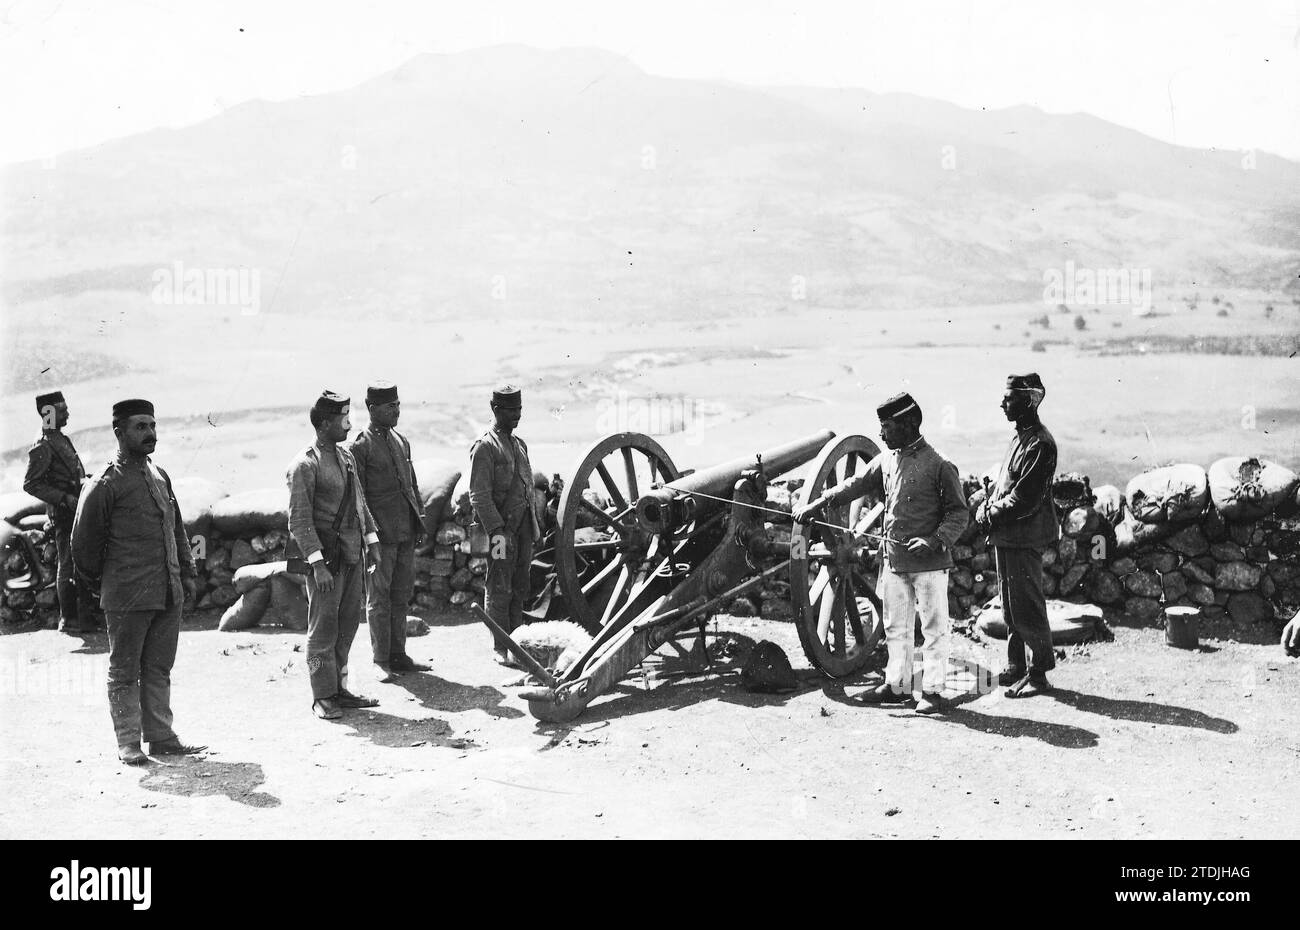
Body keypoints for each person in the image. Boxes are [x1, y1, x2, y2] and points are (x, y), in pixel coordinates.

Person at [795, 392, 968, 714]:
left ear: (910, 423)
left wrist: (935, 540)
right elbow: (855, 484)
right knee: (895, 626)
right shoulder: (887, 459)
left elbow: (959, 513)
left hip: (929, 564)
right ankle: (897, 685)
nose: (881, 434)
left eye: (887, 426)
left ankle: (932, 692)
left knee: (933, 628)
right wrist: (819, 503)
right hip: (895, 561)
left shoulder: (940, 464)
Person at [71, 399, 203, 765]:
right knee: (124, 669)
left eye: (153, 426)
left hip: (168, 590)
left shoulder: (160, 475)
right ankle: (128, 742)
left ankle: (161, 736)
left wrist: (187, 573)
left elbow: (177, 528)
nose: (150, 434)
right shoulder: (104, 484)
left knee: (159, 666)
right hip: (127, 594)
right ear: (119, 432)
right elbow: (82, 546)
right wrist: (107, 584)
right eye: (140, 427)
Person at [286, 391, 383, 719]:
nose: (349, 424)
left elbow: (359, 503)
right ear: (324, 423)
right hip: (325, 562)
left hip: (351, 556)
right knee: (321, 632)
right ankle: (321, 695)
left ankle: (340, 689)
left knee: (347, 626)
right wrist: (316, 565)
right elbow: (299, 521)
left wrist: (372, 542)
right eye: (343, 418)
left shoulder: (346, 457)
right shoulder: (304, 465)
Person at [975, 373, 1059, 698]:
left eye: (1009, 398)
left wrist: (989, 513)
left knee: (1028, 605)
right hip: (1008, 535)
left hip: (1024, 535)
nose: (1002, 403)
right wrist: (990, 507)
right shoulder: (1020, 437)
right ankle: (1016, 666)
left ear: (1028, 401)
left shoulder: (1040, 444)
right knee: (1009, 605)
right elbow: (1004, 485)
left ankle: (1038, 674)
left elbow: (1025, 498)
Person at [349, 380, 429, 681]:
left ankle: (399, 655)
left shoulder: (401, 441)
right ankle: (380, 659)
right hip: (379, 537)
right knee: (378, 598)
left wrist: (418, 521)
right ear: (371, 409)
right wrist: (369, 539)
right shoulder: (360, 446)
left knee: (401, 595)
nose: (396, 410)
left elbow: (412, 485)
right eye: (389, 406)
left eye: (397, 404)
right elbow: (359, 498)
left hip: (404, 532)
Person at [468, 385, 542, 665]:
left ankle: (518, 642)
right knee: (499, 584)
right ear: (495, 410)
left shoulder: (520, 444)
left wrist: (534, 529)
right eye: (511, 410)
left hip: (522, 531)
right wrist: (498, 532)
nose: (517, 416)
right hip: (499, 535)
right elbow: (479, 496)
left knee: (520, 583)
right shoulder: (485, 447)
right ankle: (501, 645)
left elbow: (527, 488)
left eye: (519, 410)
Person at [23, 390, 95, 634]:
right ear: (48, 413)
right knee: (68, 566)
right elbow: (31, 484)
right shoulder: (43, 444)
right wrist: (64, 498)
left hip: (74, 509)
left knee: (78, 564)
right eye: (62, 410)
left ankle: (84, 617)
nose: (68, 413)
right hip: (64, 514)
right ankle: (69, 619)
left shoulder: (58, 438)